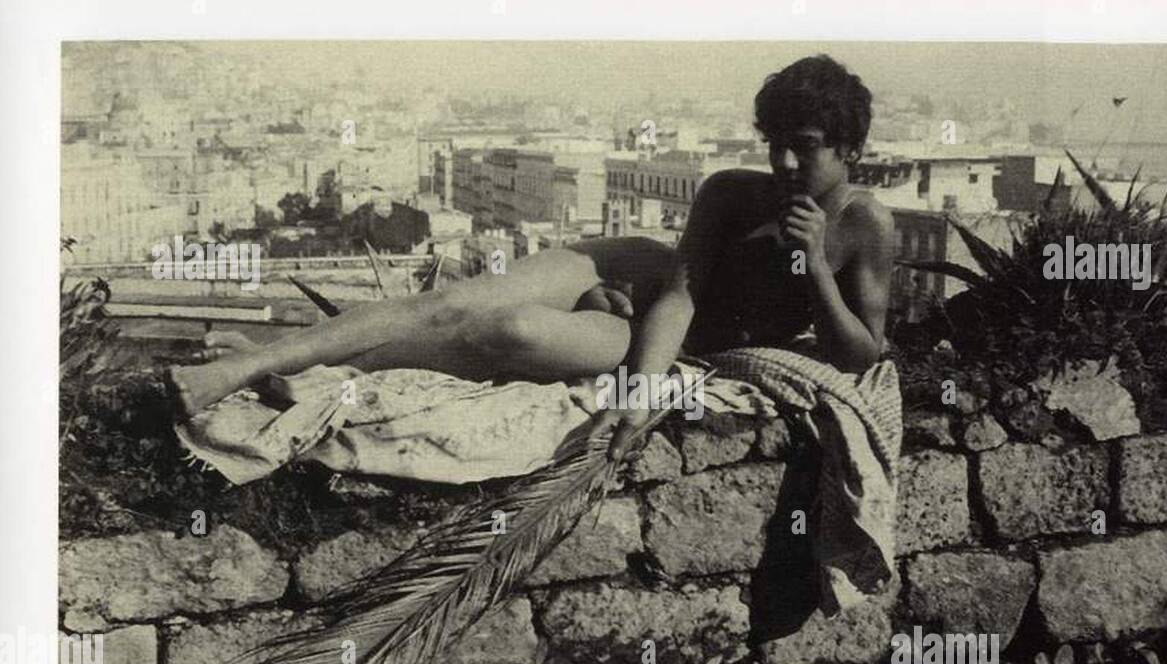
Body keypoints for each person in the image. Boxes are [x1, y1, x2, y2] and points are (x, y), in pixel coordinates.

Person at [168, 54, 894, 459]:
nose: (784, 163)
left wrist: (815, 268)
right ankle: (247, 367)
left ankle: (308, 369)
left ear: (851, 150)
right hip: (636, 273)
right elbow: (681, 289)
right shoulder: (732, 192)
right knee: (452, 302)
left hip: (678, 338)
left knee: (510, 332)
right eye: (776, 144)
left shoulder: (866, 226)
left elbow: (861, 354)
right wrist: (642, 388)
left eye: (805, 147)